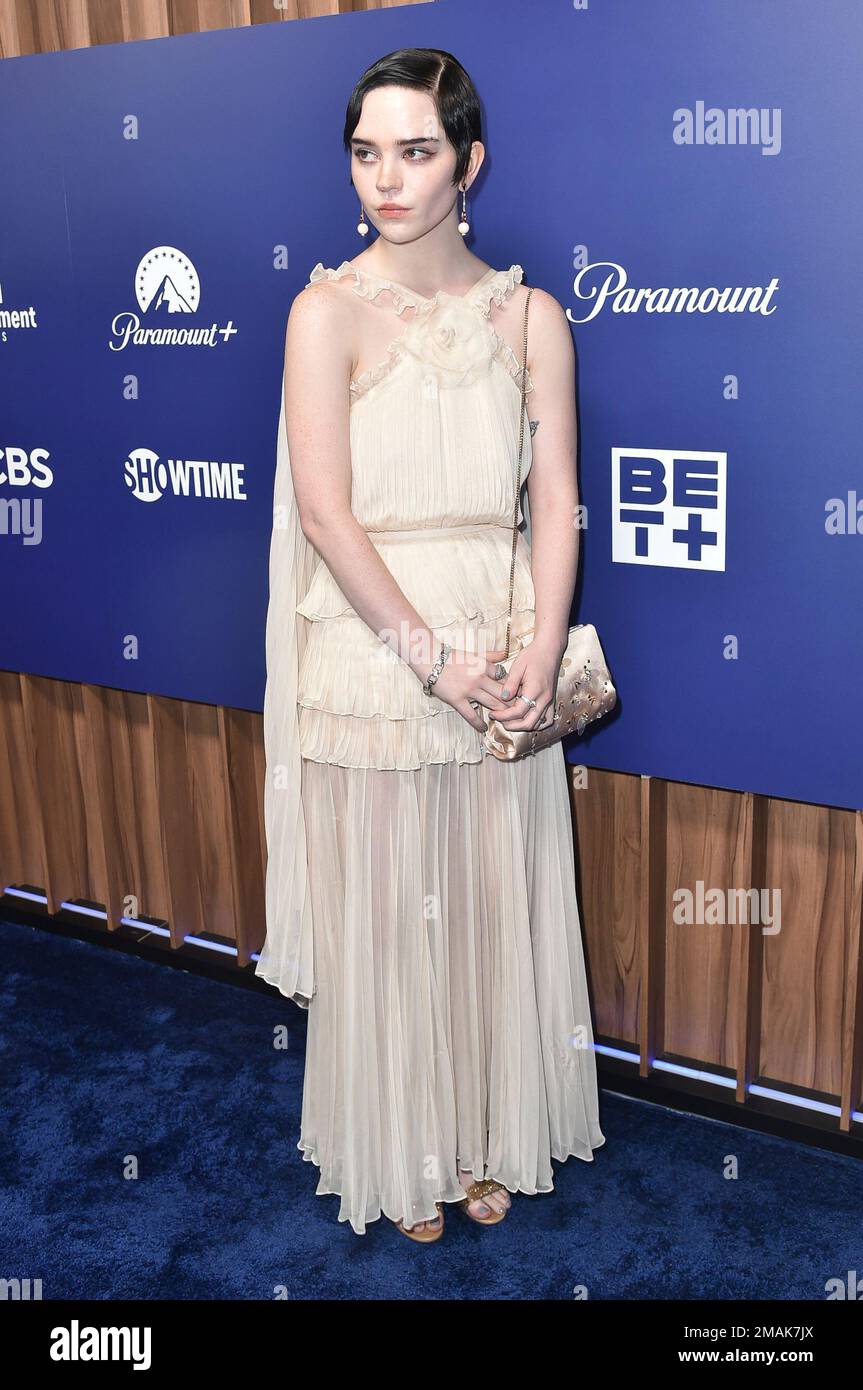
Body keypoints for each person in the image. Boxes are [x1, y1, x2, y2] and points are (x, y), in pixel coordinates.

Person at [256, 46, 606, 1241]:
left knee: (485, 900)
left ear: (469, 160)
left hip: (504, 652)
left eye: (414, 151)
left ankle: (481, 1137)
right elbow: (323, 513)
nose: (386, 180)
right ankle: (406, 1146)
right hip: (378, 648)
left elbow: (554, 501)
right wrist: (430, 659)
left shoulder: (533, 319)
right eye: (366, 153)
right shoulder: (323, 312)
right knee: (393, 917)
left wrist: (537, 648)